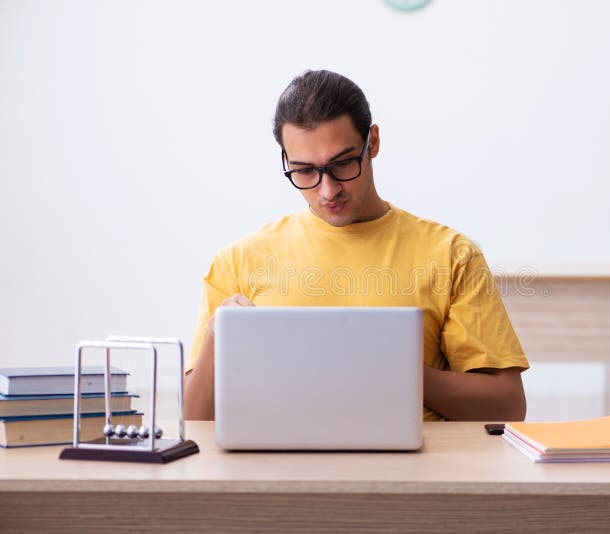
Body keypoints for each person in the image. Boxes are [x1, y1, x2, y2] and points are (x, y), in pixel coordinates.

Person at [184, 69, 528, 422]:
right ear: (286, 161)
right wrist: (217, 339)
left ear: (373, 143)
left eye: (343, 163)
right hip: (277, 469)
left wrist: (396, 373)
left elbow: (507, 405)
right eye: (304, 171)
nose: (327, 190)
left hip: (410, 472)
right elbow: (195, 421)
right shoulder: (238, 261)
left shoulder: (452, 255)